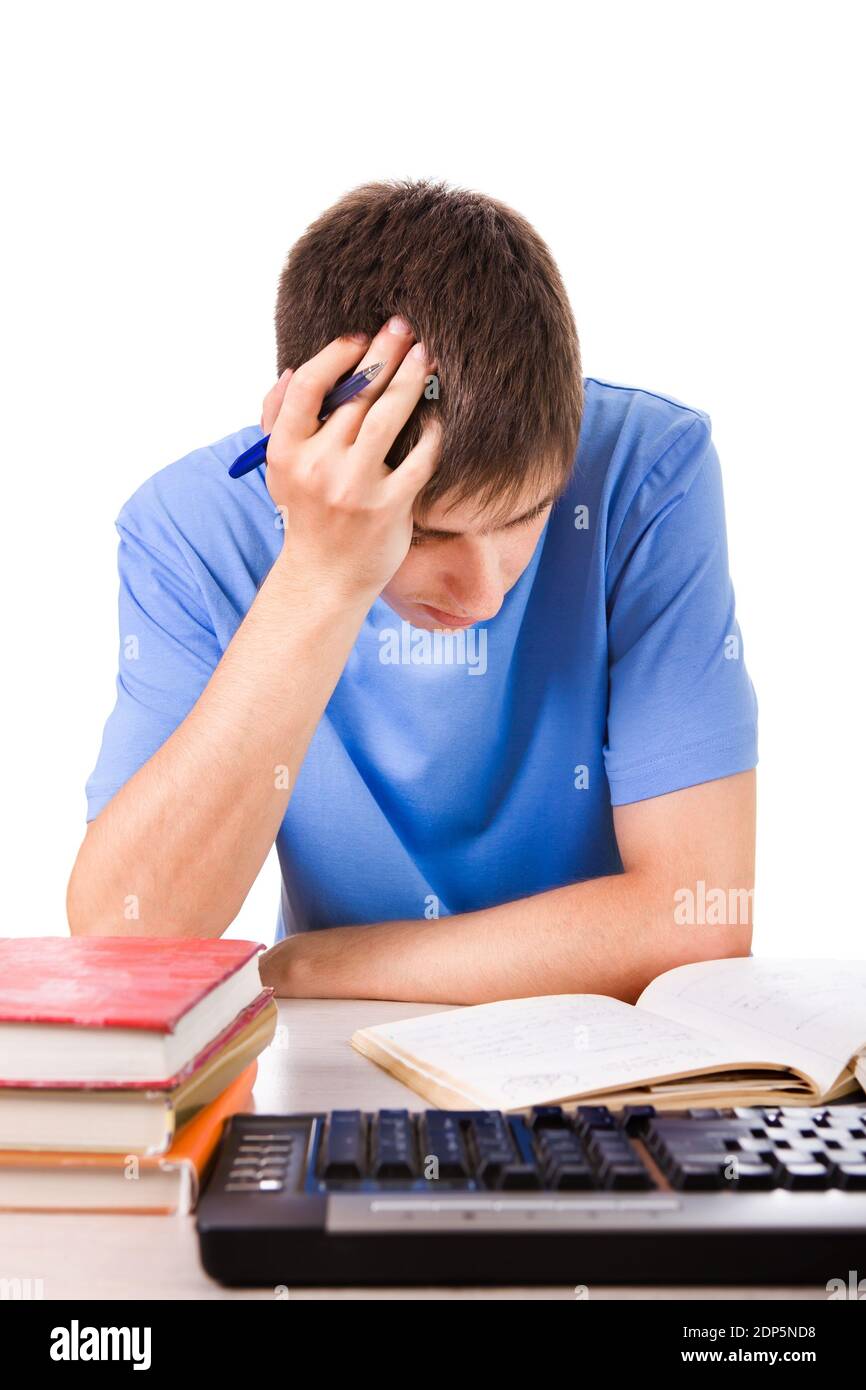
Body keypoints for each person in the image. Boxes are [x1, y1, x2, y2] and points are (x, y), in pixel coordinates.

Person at [67, 178, 758, 1005]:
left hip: (594, 1058)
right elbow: (126, 941)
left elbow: (696, 918)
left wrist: (303, 966)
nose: (483, 595)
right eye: (423, 535)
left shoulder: (648, 471)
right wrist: (321, 572)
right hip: (342, 1060)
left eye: (524, 518)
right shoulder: (186, 528)